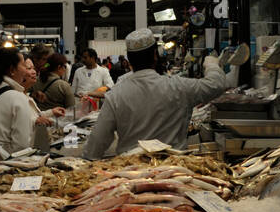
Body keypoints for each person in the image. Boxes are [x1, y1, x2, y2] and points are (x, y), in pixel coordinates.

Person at [81, 29, 226, 160]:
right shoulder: (179, 87)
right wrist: (212, 64)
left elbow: (95, 145)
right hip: (174, 174)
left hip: (131, 175)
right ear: (155, 56)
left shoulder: (116, 95)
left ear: (129, 61)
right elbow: (216, 84)